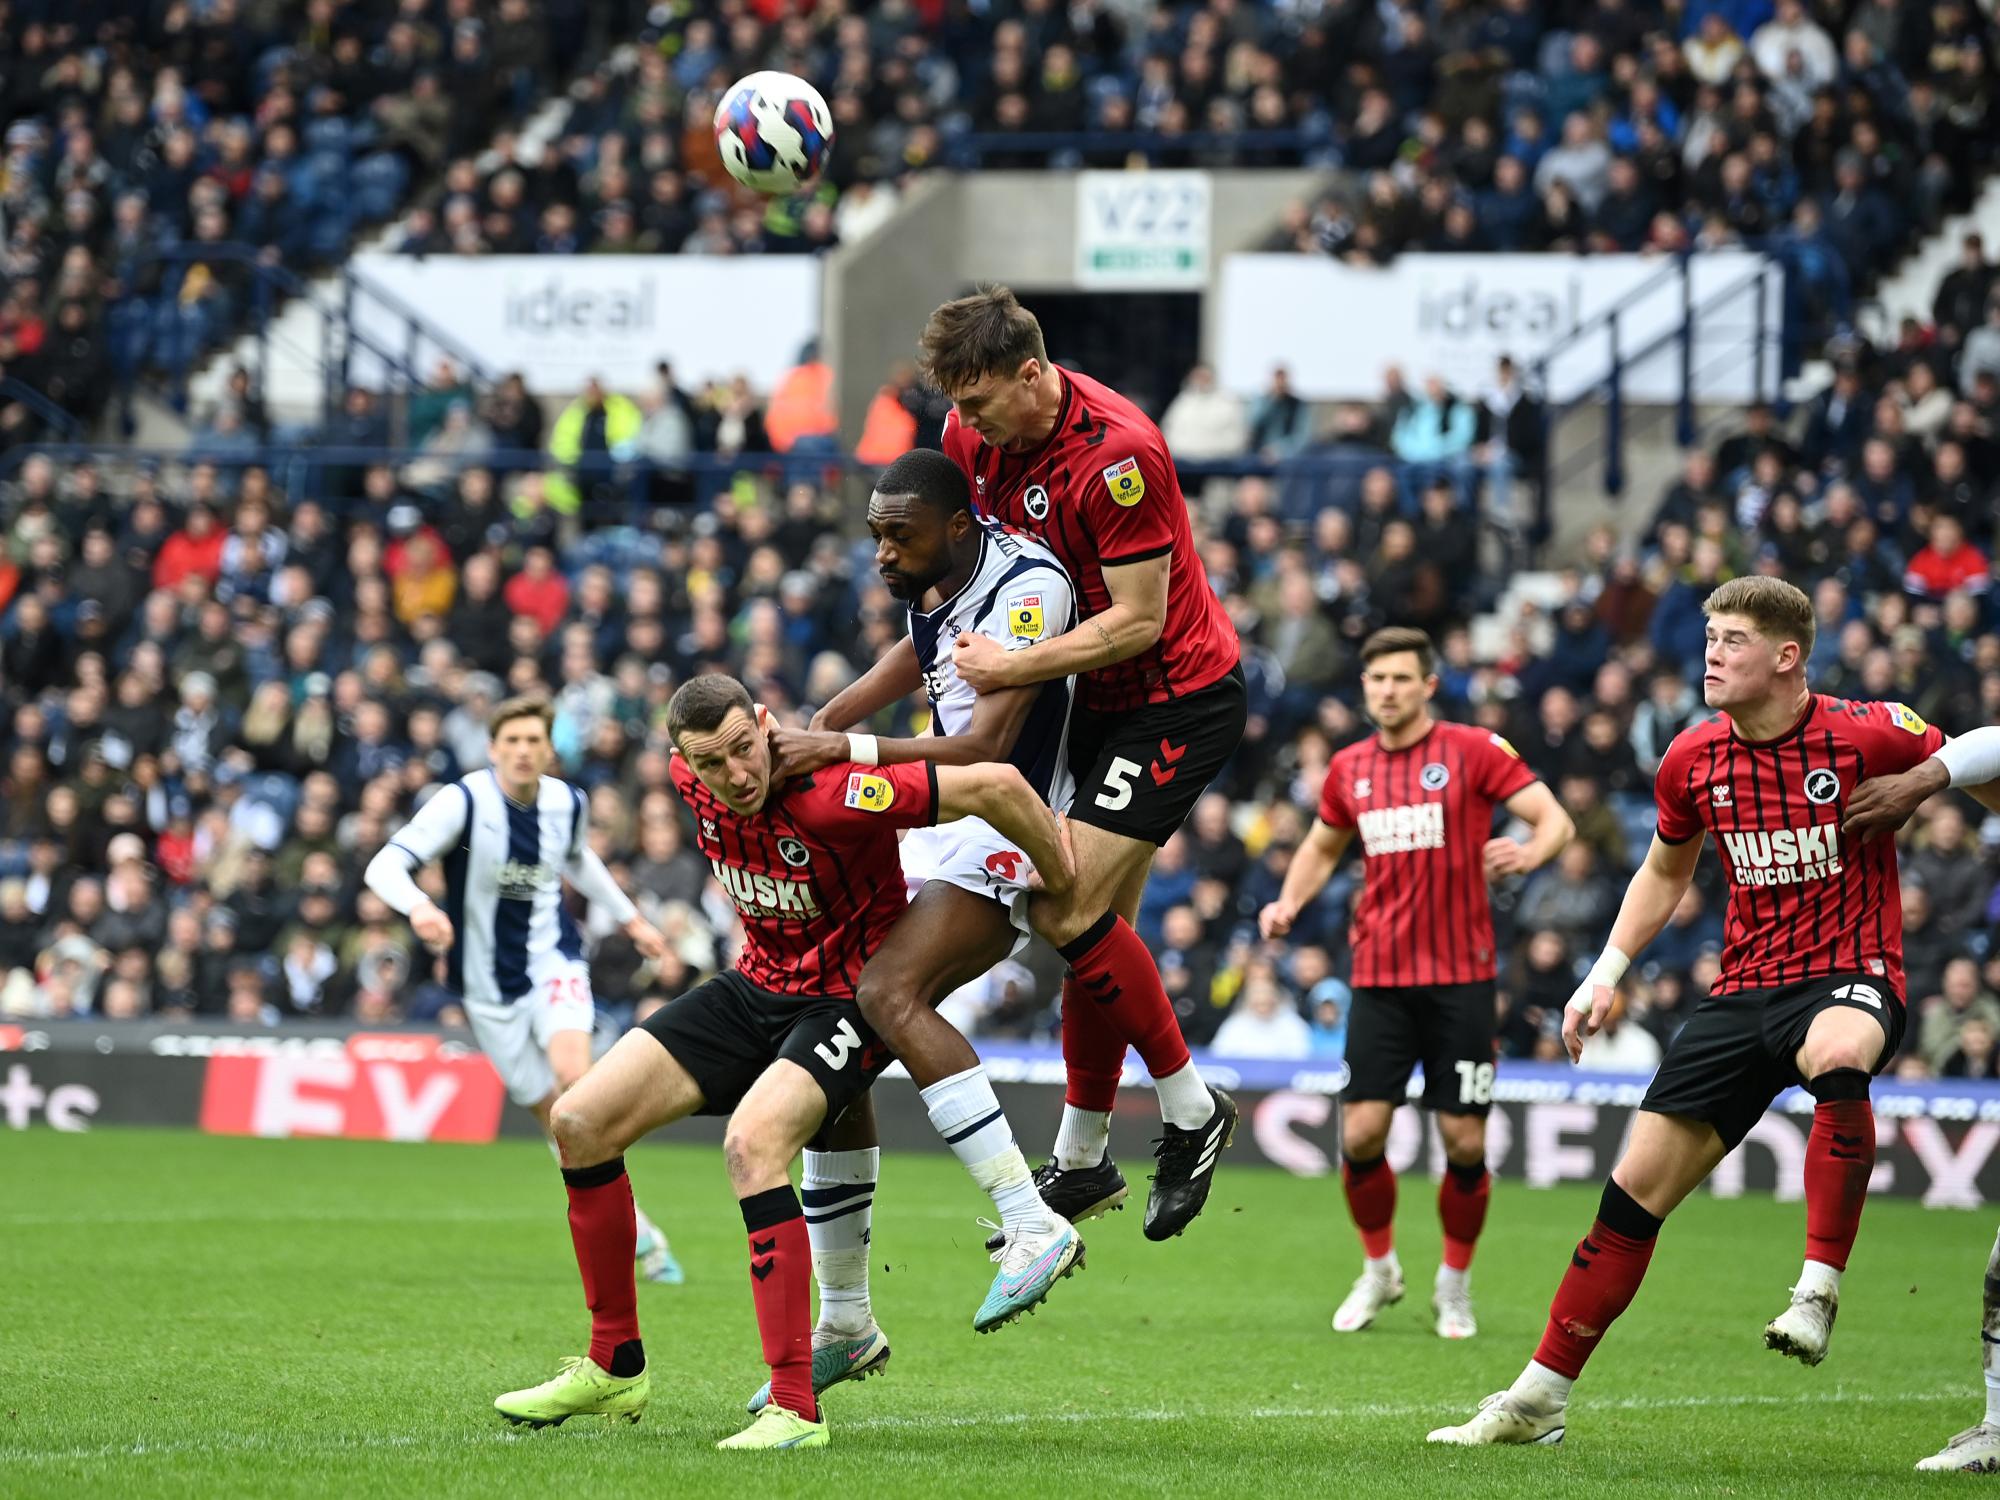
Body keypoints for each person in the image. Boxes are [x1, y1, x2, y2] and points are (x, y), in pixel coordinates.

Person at [1429, 576, 2000, 1448]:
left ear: (1787, 656)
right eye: (1709, 638)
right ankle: (1538, 1398)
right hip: (1742, 992)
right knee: (1630, 1198)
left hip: (1851, 970)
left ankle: (1816, 1288)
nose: (1713, 654)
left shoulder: (1863, 732)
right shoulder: (1691, 759)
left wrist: (1924, 778)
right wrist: (1605, 972)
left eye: (1733, 640)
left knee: (1839, 1051)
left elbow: (1988, 747)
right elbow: (1664, 872)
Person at [492, 674, 1080, 1452]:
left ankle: (797, 1408)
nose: (737, 774)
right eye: (712, 763)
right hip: (755, 984)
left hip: (846, 1001)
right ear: (682, 762)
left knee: (752, 1144)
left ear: (766, 725)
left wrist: (1064, 875)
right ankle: (614, 1363)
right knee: (578, 1122)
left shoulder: (834, 791)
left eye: (746, 748)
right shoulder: (686, 776)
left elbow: (994, 782)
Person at [736, 446, 1085, 1413]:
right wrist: (816, 720)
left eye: (901, 535)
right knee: (835, 1039)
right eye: (876, 535)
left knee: (887, 993)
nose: (884, 554)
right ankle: (846, 1319)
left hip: (1007, 820)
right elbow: (913, 657)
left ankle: (1032, 1224)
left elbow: (983, 750)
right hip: (931, 819)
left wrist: (834, 745)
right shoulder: (934, 577)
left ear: (956, 521)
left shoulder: (1028, 586)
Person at [918, 284, 1246, 1242]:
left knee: (1064, 903)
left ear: (1032, 375)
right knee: (1095, 940)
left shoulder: (1121, 455)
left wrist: (1015, 666)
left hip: (1175, 700)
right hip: (1091, 704)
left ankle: (1192, 1110)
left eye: (977, 402)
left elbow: (1139, 621)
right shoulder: (974, 435)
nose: (964, 423)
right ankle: (1081, 1159)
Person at [1260, 627, 1574, 1341]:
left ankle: (1453, 1288)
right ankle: (1380, 1272)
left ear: (1429, 685)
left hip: (1462, 981)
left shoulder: (1473, 751)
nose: (1387, 690)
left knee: (1463, 1143)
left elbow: (1555, 819)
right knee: (1363, 1131)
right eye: (1376, 680)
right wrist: (1289, 902)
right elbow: (1320, 845)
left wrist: (1526, 855)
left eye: (1401, 678)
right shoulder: (1349, 768)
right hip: (1380, 977)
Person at [362, 696, 682, 1285]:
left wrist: (631, 919)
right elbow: (383, 865)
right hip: (484, 985)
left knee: (575, 1085)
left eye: (534, 741)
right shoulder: (461, 801)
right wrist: (419, 908)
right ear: (492, 750)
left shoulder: (567, 802)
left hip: (553, 958)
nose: (523, 751)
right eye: (512, 741)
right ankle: (639, 1232)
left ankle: (620, 1237)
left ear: (548, 749)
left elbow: (579, 861)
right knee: (556, 1119)